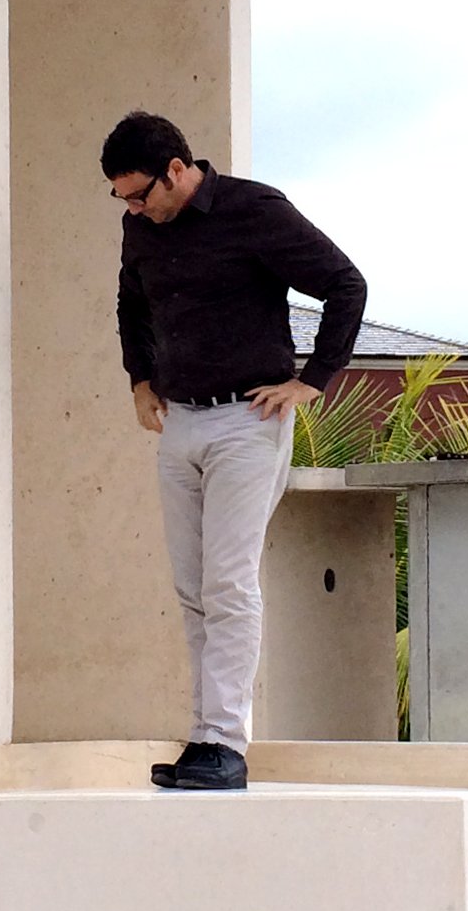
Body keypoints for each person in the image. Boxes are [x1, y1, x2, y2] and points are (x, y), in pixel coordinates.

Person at [104, 110, 368, 792]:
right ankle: (203, 739)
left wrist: (310, 381)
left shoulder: (254, 210)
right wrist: (139, 380)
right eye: (122, 199)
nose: (134, 209)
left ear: (177, 170)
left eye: (141, 194)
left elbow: (345, 283)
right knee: (193, 589)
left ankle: (226, 742)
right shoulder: (142, 229)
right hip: (180, 422)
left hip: (248, 421)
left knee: (228, 581)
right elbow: (131, 302)